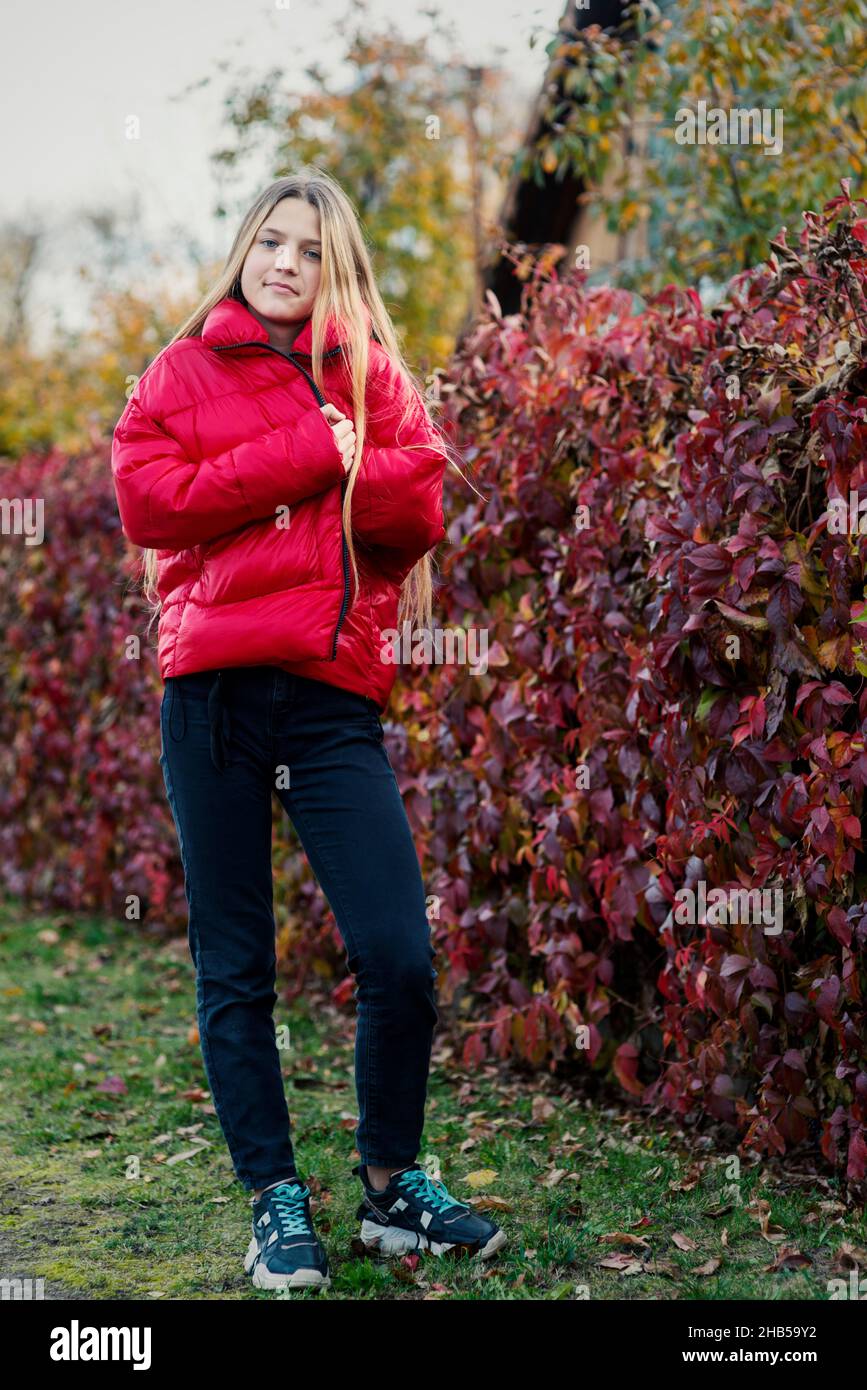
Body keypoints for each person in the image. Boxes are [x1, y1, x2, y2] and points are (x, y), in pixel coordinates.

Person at [110, 168, 506, 1292]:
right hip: (215, 700)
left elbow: (418, 508)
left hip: (330, 702)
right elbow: (151, 504)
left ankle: (391, 1189)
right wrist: (309, 457)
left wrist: (349, 458)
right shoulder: (179, 371)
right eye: (269, 241)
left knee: (398, 953)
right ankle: (276, 1202)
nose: (285, 262)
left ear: (338, 268)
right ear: (243, 248)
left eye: (309, 248)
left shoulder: (374, 374)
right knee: (236, 967)